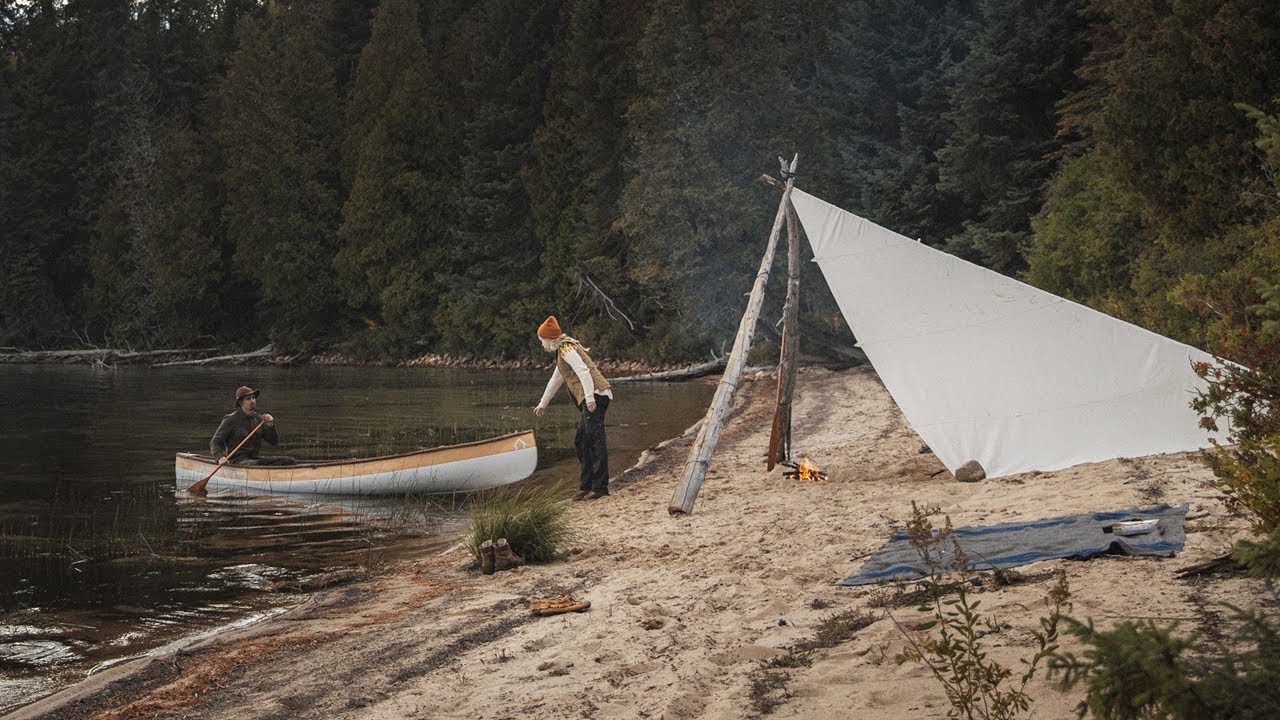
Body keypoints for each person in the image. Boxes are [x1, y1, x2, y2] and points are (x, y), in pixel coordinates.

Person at [533, 315, 613, 500]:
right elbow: (556, 379)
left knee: (594, 440)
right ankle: (586, 485)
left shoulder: (566, 349)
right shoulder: (562, 351)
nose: (542, 344)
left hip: (597, 396)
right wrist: (543, 403)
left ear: (549, 339)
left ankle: (600, 487)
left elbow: (584, 371)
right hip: (593, 397)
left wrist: (589, 398)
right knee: (581, 441)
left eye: (542, 340)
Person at [210, 386, 296, 466]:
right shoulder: (231, 419)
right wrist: (220, 457)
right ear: (240, 402)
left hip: (255, 459)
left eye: (253, 398)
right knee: (256, 463)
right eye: (248, 399)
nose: (252, 401)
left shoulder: (259, 419)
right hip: (237, 461)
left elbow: (273, 442)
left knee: (290, 461)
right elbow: (215, 441)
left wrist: (270, 425)